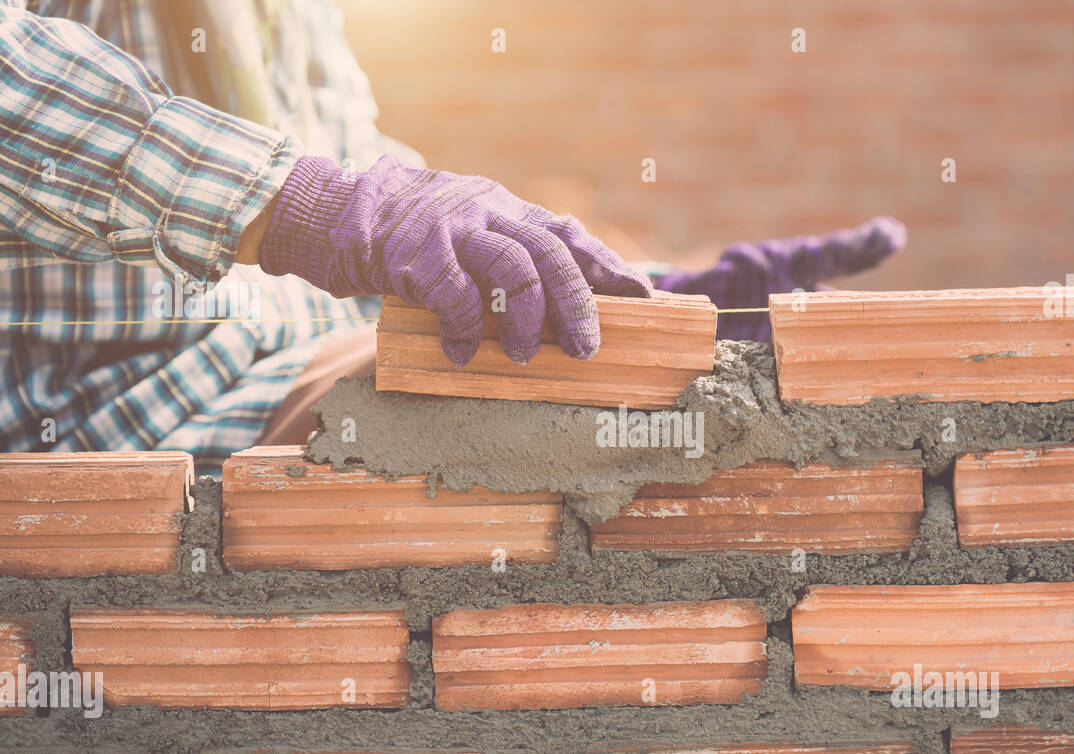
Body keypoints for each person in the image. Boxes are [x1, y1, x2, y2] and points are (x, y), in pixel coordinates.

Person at [0, 0, 903, 475]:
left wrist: (637, 295)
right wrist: (311, 205)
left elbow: (357, 171)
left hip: (283, 365)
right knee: (539, 423)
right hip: (102, 432)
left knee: (607, 374)